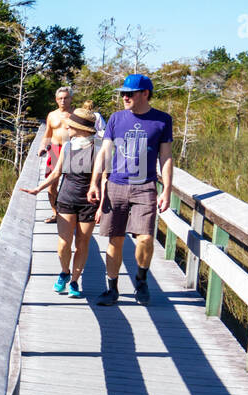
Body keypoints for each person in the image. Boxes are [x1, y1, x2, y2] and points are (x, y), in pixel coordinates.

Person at [88, 74, 174, 306]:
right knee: (115, 240)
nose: (124, 97)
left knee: (145, 237)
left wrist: (166, 189)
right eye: (122, 93)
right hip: (116, 184)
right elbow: (104, 152)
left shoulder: (162, 120)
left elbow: (165, 157)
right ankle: (112, 288)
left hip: (145, 186)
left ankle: (141, 279)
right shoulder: (116, 119)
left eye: (129, 93)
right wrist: (95, 182)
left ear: (145, 93)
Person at [21, 107, 101, 298]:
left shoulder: (97, 148)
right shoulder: (67, 146)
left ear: (81, 128)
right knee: (64, 243)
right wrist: (38, 189)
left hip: (88, 201)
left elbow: (102, 178)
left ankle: (74, 281)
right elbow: (57, 172)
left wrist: (103, 204)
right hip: (66, 198)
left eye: (71, 125)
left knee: (82, 243)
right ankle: (64, 271)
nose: (67, 128)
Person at [39, 87, 76, 224]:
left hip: (72, 150)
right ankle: (56, 213)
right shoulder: (52, 115)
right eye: (60, 98)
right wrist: (42, 146)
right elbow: (47, 134)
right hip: (54, 150)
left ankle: (72, 214)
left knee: (71, 184)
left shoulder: (76, 114)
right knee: (51, 185)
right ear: (56, 99)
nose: (63, 100)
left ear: (71, 99)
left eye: (66, 98)